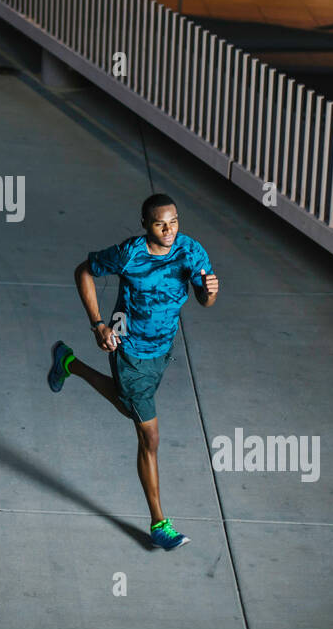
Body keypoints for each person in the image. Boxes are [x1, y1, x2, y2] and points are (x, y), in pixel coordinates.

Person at [47, 193, 219, 549]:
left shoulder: (190, 250)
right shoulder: (130, 253)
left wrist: (211, 292)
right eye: (160, 223)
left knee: (130, 407)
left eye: (173, 221)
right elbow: (84, 271)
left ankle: (69, 363)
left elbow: (205, 298)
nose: (169, 230)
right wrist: (98, 325)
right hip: (128, 348)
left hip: (161, 350)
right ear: (145, 224)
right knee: (149, 437)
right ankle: (159, 523)